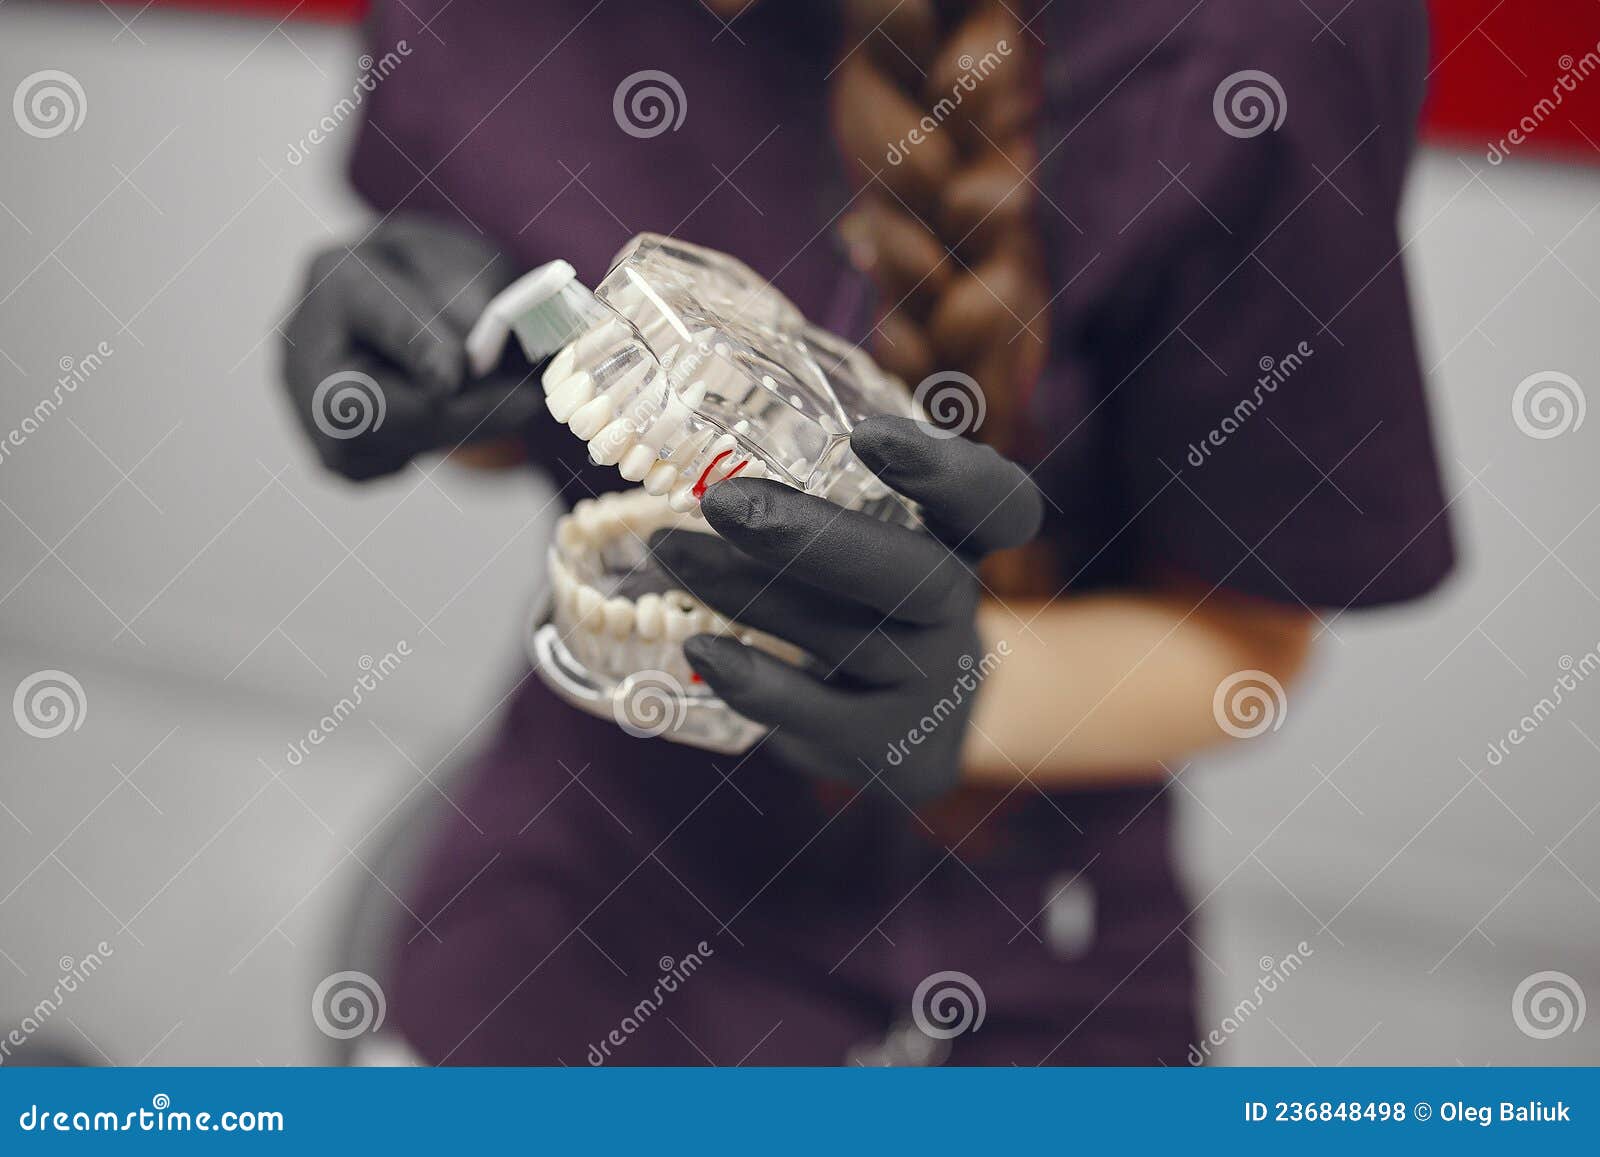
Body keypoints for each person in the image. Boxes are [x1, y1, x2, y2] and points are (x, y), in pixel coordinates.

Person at [279, 0, 1453, 1064]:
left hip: (1021, 920)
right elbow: (540, 442)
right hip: (592, 849)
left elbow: (1248, 646)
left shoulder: (1261, 37)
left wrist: (967, 693)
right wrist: (446, 378)